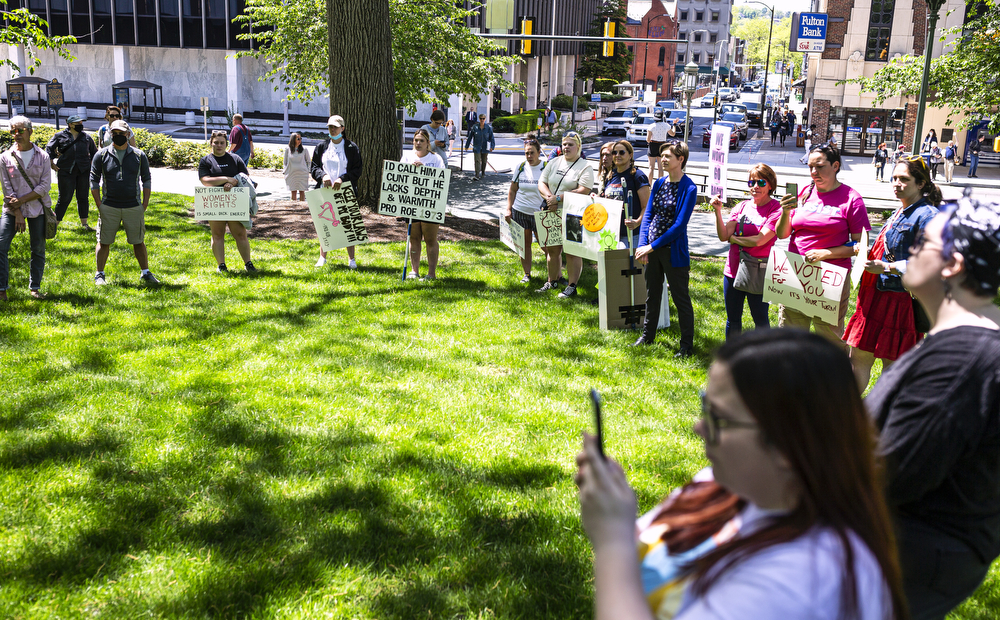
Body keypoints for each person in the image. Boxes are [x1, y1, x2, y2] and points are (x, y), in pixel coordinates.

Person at [577, 329, 908, 620]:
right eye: (705, 406)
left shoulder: (805, 579)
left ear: (786, 446)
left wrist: (611, 539)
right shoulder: (734, 485)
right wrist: (614, 506)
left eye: (718, 418)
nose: (699, 427)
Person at [866, 195, 1000, 620]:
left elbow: (889, 472)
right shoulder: (962, 343)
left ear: (952, 265)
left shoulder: (959, 360)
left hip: (906, 559)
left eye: (922, 242)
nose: (910, 249)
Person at [843, 156, 940, 390]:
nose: (896, 183)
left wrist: (887, 267)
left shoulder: (928, 216)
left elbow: (931, 262)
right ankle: (851, 410)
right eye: (894, 178)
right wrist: (865, 251)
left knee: (892, 367)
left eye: (904, 179)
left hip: (900, 300)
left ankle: (883, 410)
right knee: (858, 356)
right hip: (874, 295)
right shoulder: (901, 209)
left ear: (921, 183)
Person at [775, 143, 871, 345]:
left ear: (835, 166)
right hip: (796, 273)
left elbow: (861, 245)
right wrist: (785, 212)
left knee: (829, 342)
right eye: (810, 166)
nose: (813, 172)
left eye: (819, 166)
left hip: (830, 279)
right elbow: (782, 234)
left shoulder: (852, 199)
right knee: (790, 339)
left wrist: (825, 253)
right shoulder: (804, 193)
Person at [634, 142, 697, 356]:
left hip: (673, 251)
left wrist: (650, 247)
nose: (663, 159)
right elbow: (648, 215)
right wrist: (642, 245)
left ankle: (686, 345)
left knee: (681, 298)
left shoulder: (689, 188)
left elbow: (679, 226)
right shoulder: (659, 183)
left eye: (668, 156)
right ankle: (647, 336)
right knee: (652, 294)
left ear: (681, 159)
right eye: (662, 155)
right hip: (651, 249)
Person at [709, 164, 782, 339]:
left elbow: (759, 240)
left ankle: (764, 354)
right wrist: (718, 212)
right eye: (752, 182)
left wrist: (734, 240)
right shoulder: (741, 207)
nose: (755, 186)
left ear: (770, 185)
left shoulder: (776, 209)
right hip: (733, 270)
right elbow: (724, 235)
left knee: (760, 320)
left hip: (758, 271)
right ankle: (732, 354)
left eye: (761, 182)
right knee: (733, 319)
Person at [90, 120, 158, 286]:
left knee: (138, 241)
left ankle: (145, 273)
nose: (118, 136)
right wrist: (100, 205)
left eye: (121, 133)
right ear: (110, 134)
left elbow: (146, 179)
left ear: (128, 134)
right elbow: (93, 180)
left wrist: (144, 204)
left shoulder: (139, 155)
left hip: (133, 206)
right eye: (115, 133)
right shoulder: (101, 155)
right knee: (103, 241)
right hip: (109, 206)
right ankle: (99, 274)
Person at [536, 132, 595, 297]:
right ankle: (552, 281)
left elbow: (584, 190)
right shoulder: (554, 162)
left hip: (573, 214)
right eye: (564, 144)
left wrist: (559, 198)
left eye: (570, 144)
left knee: (572, 251)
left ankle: (571, 286)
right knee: (552, 250)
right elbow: (542, 182)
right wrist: (550, 199)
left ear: (578, 147)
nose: (566, 147)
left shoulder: (585, 166)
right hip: (552, 211)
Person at [0, 116, 51, 301]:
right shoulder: (5, 157)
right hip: (12, 210)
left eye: (20, 130)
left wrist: (20, 201)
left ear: (30, 131)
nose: (16, 134)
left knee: (37, 248)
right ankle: (1, 290)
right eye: (13, 131)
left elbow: (44, 187)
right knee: (1, 245)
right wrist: (18, 212)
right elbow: (7, 188)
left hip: (38, 208)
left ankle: (35, 288)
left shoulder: (43, 156)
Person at [198, 130, 257, 273]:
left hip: (235, 200)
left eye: (222, 143)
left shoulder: (235, 159)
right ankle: (221, 266)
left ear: (226, 144)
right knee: (217, 234)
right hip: (215, 201)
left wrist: (232, 183)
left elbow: (244, 177)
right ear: (211, 143)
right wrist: (226, 179)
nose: (219, 145)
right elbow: (205, 180)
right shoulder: (206, 160)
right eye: (216, 143)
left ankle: (248, 264)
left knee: (240, 234)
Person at [310, 115, 363, 269]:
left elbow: (357, 170)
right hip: (325, 191)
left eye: (335, 127)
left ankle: (351, 259)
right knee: (325, 224)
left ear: (342, 128)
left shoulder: (352, 147)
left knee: (348, 224)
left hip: (345, 190)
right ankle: (322, 257)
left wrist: (342, 179)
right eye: (330, 127)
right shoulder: (321, 147)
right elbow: (314, 167)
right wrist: (323, 176)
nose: (332, 130)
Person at [401, 129, 445, 280]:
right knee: (414, 238)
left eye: (422, 140)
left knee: (430, 239)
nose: (418, 143)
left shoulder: (436, 158)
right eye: (416, 140)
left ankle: (431, 274)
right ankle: (414, 271)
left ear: (428, 143)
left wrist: (424, 170)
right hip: (411, 203)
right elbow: (400, 178)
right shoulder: (407, 156)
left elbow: (442, 180)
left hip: (430, 204)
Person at [504, 137, 548, 284]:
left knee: (546, 246)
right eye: (526, 153)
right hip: (520, 211)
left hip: (540, 213)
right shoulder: (521, 167)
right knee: (524, 245)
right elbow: (513, 190)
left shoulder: (546, 167)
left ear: (539, 152)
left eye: (532, 153)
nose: (529, 156)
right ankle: (527, 274)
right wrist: (508, 209)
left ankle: (555, 276)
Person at [46, 113, 98, 231]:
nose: (80, 124)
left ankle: (84, 224)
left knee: (83, 197)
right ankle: (55, 224)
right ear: (70, 124)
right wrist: (51, 163)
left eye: (81, 122)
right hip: (65, 170)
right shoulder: (59, 136)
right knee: (64, 198)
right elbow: (49, 148)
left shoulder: (86, 137)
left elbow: (95, 153)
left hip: (83, 171)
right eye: (77, 123)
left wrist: (92, 166)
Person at [599, 140, 650, 250]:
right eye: (614, 153)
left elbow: (647, 206)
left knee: (628, 261)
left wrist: (637, 222)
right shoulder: (611, 175)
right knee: (611, 261)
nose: (617, 155)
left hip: (632, 234)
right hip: (611, 232)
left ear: (630, 155)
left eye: (621, 152)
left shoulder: (638, 176)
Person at [465, 114, 495, 181]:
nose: (482, 120)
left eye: (483, 118)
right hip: (477, 147)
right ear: (479, 119)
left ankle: (483, 172)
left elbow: (492, 138)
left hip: (485, 147)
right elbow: (470, 137)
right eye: (481, 118)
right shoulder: (475, 127)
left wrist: (492, 146)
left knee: (484, 161)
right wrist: (467, 145)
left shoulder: (488, 128)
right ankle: (477, 174)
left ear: (485, 119)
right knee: (477, 160)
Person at [283, 132, 310, 202]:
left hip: (302, 174)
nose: (300, 140)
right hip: (291, 174)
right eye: (298, 139)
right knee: (293, 192)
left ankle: (302, 206)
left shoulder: (304, 149)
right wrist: (285, 171)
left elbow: (308, 161)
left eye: (300, 138)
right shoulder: (288, 149)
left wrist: (308, 170)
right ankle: (293, 206)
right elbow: (285, 162)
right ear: (293, 140)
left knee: (302, 192)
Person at [646, 110, 670, 180]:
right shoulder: (666, 125)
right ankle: (660, 184)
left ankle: (649, 184)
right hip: (662, 145)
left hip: (653, 145)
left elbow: (648, 139)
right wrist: (674, 124)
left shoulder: (651, 126)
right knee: (661, 168)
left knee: (651, 167)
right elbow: (673, 133)